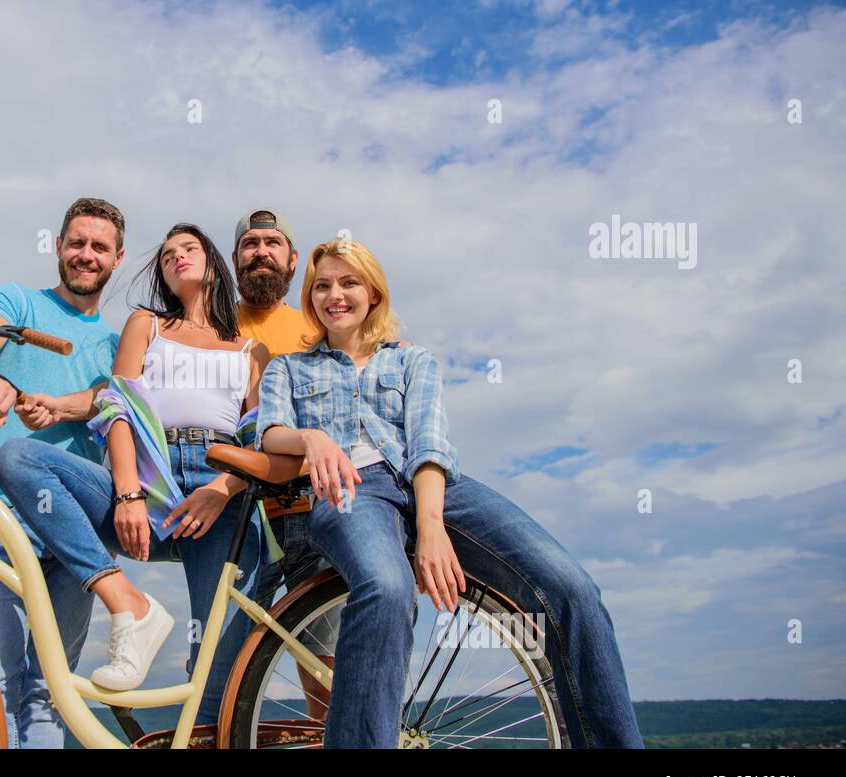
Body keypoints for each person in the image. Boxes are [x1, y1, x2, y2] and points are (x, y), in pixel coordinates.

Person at [256, 236, 644, 749]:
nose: (335, 294)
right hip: (351, 491)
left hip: (434, 487)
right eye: (322, 285)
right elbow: (269, 432)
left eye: (349, 282)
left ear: (373, 293)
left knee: (570, 588)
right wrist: (312, 437)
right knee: (387, 589)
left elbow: (429, 447)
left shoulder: (414, 362)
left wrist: (433, 527)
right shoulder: (289, 368)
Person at [0, 223, 271, 724]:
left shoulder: (252, 352)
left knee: (216, 668)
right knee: (17, 457)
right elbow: (116, 407)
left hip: (221, 493)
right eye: (167, 255)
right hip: (149, 484)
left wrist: (220, 490)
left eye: (189, 248)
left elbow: (259, 440)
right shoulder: (148, 324)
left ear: (213, 263)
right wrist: (126, 494)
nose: (177, 256)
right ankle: (130, 605)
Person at [0, 197, 124, 748]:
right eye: (77, 242)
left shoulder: (118, 346)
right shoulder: (17, 301)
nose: (86, 255)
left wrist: (68, 405)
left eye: (99, 247)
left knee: (52, 691)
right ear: (58, 247)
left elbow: (114, 404)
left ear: (116, 259)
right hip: (0, 514)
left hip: (75, 529)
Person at [232, 208, 341, 720]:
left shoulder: (319, 327)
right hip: (232, 507)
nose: (261, 251)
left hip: (308, 504)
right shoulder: (212, 325)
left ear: (292, 259)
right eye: (250, 243)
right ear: (235, 258)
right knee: (220, 654)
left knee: (324, 659)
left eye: (272, 243)